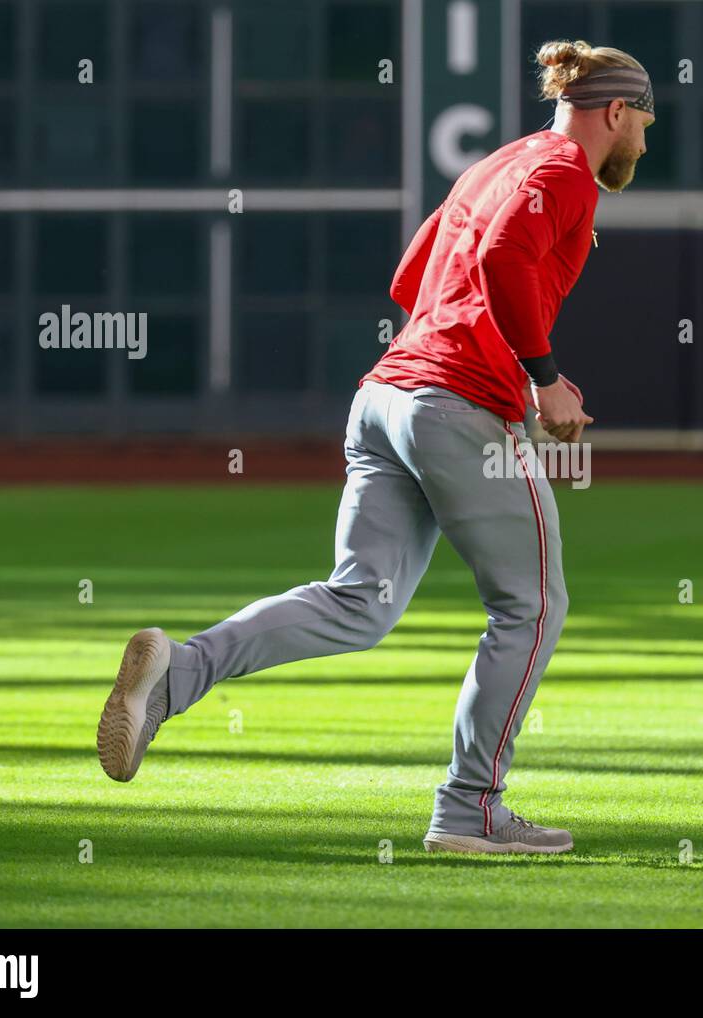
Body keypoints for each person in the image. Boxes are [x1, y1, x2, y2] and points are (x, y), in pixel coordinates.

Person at [96, 39, 654, 855]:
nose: (644, 136)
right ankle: (470, 807)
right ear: (615, 110)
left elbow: (411, 275)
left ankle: (178, 673)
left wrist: (463, 336)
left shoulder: (500, 162)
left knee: (358, 601)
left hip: (384, 398)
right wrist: (543, 379)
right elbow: (501, 257)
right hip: (458, 406)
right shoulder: (566, 170)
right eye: (644, 118)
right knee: (532, 606)